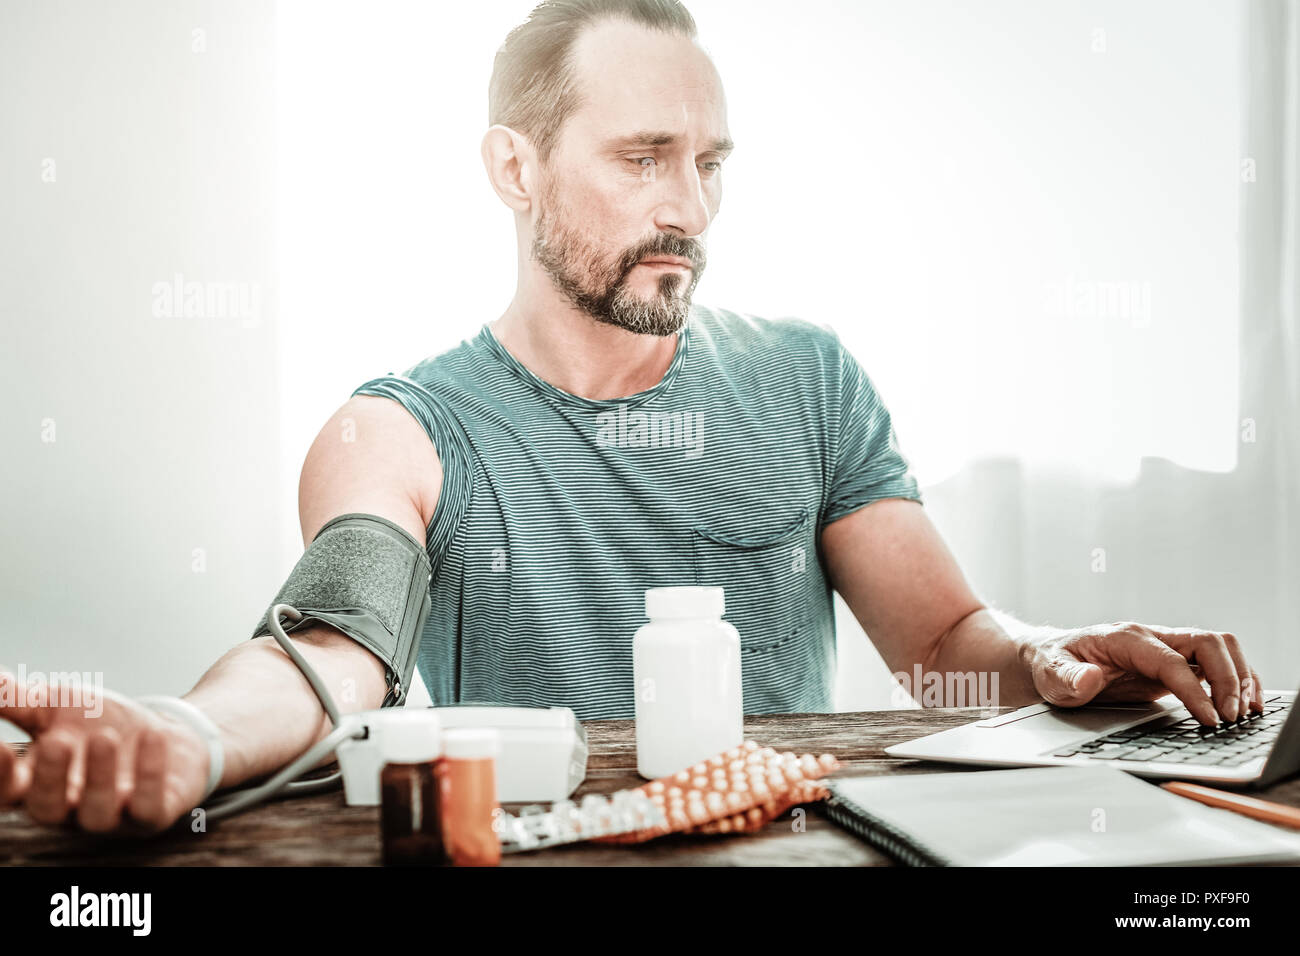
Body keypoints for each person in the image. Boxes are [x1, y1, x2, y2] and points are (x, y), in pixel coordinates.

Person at [0, 0, 1262, 834]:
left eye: (710, 164)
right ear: (513, 168)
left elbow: (942, 634)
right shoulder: (396, 429)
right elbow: (331, 649)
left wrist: (1051, 657)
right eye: (642, 157)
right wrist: (193, 730)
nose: (692, 209)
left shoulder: (812, 376)